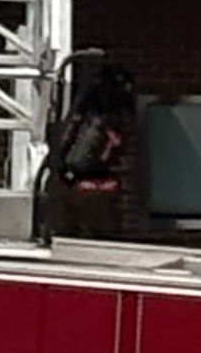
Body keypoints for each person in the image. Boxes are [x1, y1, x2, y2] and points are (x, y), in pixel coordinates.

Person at [48, 54, 140, 238]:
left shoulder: (87, 114)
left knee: (73, 230)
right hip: (96, 180)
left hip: (78, 179)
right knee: (103, 231)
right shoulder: (114, 116)